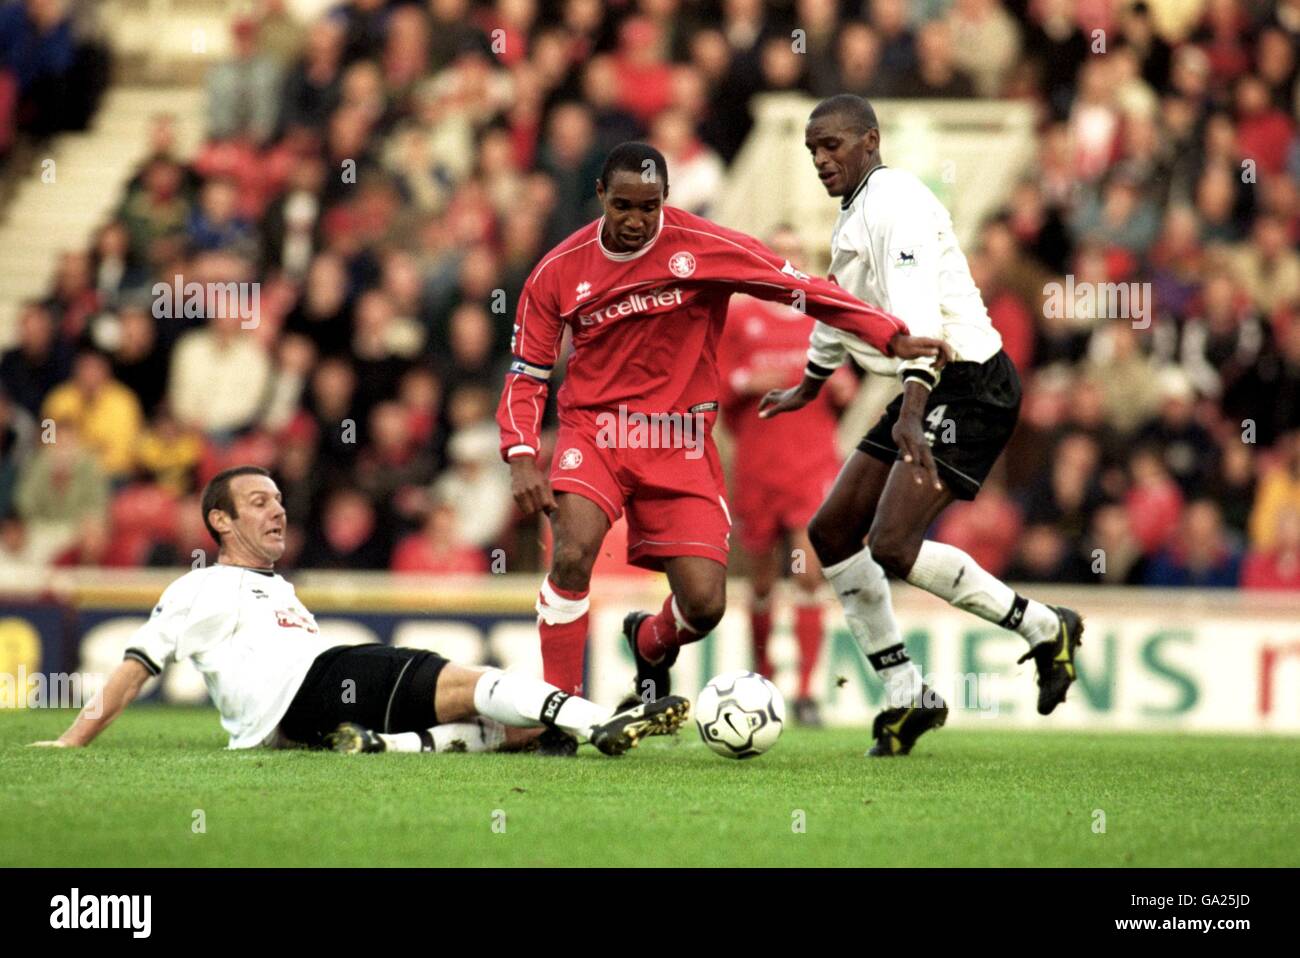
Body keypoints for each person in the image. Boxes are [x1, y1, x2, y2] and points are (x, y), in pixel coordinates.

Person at [498, 141, 948, 711]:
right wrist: (519, 454)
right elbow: (527, 372)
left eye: (650, 206)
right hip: (597, 434)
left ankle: (650, 640)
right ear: (600, 198)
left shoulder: (704, 246)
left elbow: (804, 289)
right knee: (571, 551)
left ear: (667, 199)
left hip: (679, 443)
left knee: (706, 605)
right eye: (623, 207)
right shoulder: (557, 271)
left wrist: (887, 333)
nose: (637, 221)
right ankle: (562, 712)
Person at [760, 95, 1083, 756]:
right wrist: (810, 385)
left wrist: (911, 411)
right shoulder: (856, 218)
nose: (822, 160)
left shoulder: (896, 204)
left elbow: (921, 327)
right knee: (830, 531)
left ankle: (1044, 626)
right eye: (813, 150)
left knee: (892, 544)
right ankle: (906, 692)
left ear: (870, 141)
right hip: (927, 388)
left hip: (966, 385)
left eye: (833, 146)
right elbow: (838, 309)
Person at [30, 466, 687, 757]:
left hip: (302, 716)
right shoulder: (201, 587)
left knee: (511, 728)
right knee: (464, 680)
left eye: (279, 499)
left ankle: (387, 748)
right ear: (219, 521)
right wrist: (71, 740)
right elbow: (136, 664)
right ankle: (602, 722)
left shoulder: (276, 589)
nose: (278, 509)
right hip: (312, 683)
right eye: (259, 501)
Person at [718, 225, 858, 726]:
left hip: (808, 467)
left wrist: (839, 384)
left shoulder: (820, 317)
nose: (788, 260)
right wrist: (747, 380)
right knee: (759, 582)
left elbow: (844, 383)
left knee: (806, 573)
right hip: (758, 467)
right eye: (779, 252)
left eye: (796, 252)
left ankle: (805, 692)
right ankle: (764, 676)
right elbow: (717, 389)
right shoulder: (740, 317)